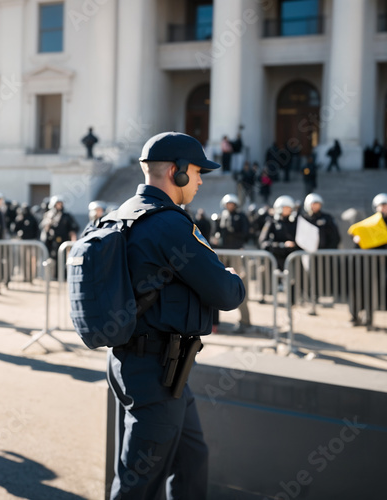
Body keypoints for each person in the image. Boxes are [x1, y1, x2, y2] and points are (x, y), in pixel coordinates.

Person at [109, 131, 244, 499]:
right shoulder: (170, 224)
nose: (201, 180)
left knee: (191, 457)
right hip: (155, 368)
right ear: (177, 172)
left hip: (151, 365)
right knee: (139, 482)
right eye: (198, 171)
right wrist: (235, 279)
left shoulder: (123, 213)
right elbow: (224, 292)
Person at [216, 193, 252, 332]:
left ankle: (245, 320)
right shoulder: (222, 216)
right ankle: (215, 322)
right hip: (223, 254)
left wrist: (231, 232)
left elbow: (245, 233)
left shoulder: (241, 217)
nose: (229, 206)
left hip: (237, 255)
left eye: (232, 204)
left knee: (240, 284)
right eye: (228, 204)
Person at [40, 196, 79, 277]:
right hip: (52, 243)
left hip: (64, 242)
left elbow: (74, 228)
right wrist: (48, 223)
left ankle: (63, 277)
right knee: (52, 260)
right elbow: (43, 229)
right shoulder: (48, 215)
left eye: (61, 204)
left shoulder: (67, 216)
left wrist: (72, 242)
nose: (59, 205)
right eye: (58, 204)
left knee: (64, 260)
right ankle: (54, 277)